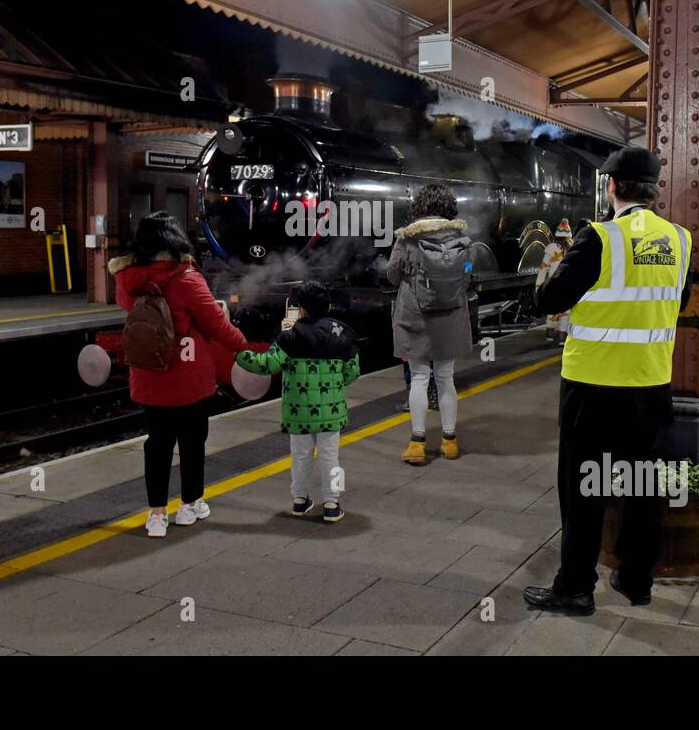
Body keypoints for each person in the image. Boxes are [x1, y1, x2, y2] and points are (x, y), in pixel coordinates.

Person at [523, 146, 691, 615]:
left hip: (593, 388)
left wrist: (548, 275)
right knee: (640, 486)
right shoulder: (680, 238)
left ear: (612, 187)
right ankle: (637, 580)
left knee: (582, 492)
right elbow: (680, 303)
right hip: (650, 384)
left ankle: (575, 588)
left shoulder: (599, 237)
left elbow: (551, 299)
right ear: (654, 190)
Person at [111, 211, 248, 539]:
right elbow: (217, 326)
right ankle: (189, 506)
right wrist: (245, 345)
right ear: (175, 240)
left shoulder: (127, 278)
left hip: (150, 376)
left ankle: (156, 515)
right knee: (191, 443)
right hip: (189, 379)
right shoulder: (186, 278)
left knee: (156, 444)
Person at [234, 281, 359, 523]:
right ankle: (333, 503)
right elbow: (352, 373)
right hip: (331, 413)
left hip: (298, 411)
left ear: (301, 309)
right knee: (331, 457)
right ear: (330, 306)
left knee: (300, 456)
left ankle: (300, 501)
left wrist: (240, 353)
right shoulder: (341, 336)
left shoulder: (289, 337)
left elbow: (266, 365)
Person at [387, 183, 473, 465]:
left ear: (419, 207)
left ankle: (417, 443)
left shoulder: (407, 238)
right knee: (446, 378)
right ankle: (450, 441)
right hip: (450, 316)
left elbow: (392, 275)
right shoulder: (461, 235)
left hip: (415, 317)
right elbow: (468, 272)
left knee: (420, 379)